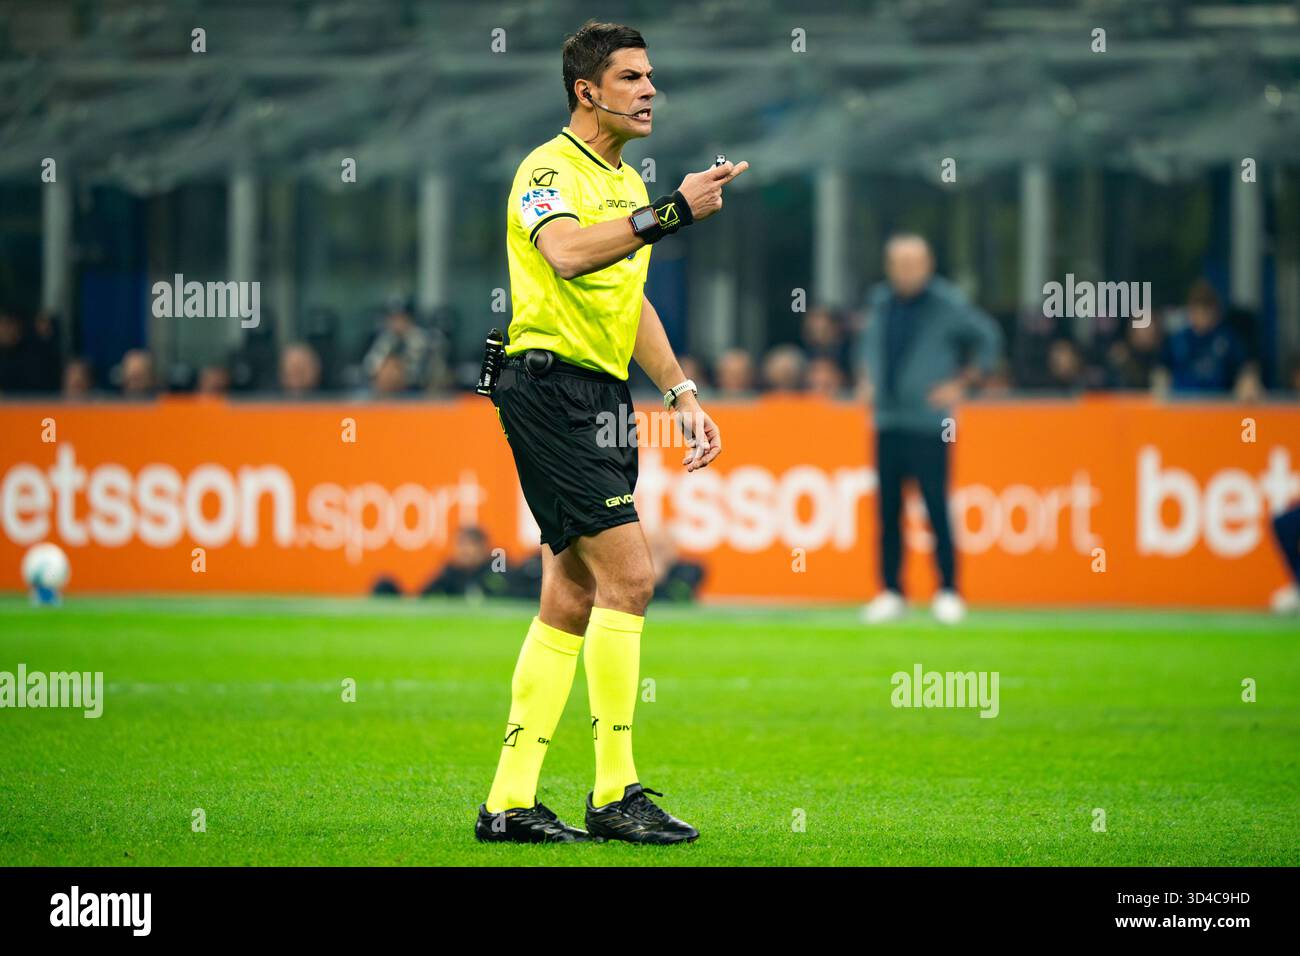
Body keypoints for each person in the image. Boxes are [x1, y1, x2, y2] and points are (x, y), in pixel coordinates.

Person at [476, 19, 746, 845]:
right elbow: (563, 255)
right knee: (631, 577)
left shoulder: (627, 189)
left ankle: (509, 802)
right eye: (632, 78)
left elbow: (627, 304)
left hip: (602, 397)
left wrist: (682, 391)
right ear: (586, 91)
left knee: (572, 595)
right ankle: (614, 792)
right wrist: (672, 212)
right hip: (547, 389)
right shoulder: (546, 170)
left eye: (651, 77)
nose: (651, 90)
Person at [856, 234, 1002, 626]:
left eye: (913, 262)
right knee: (887, 511)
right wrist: (867, 377)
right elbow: (866, 347)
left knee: (936, 507)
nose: (905, 270)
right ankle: (891, 591)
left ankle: (948, 590)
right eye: (899, 262)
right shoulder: (879, 302)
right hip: (887, 421)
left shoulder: (948, 305)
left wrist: (963, 382)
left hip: (930, 425)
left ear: (928, 264)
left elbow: (989, 338)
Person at [1153, 280, 1259, 398]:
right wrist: (1160, 388)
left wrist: (1248, 380)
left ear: (1216, 311)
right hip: (1181, 405)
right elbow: (1161, 370)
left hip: (1219, 406)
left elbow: (1246, 367)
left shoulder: (1228, 340)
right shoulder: (1178, 339)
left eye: (1206, 309)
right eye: (1197, 309)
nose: (1201, 315)